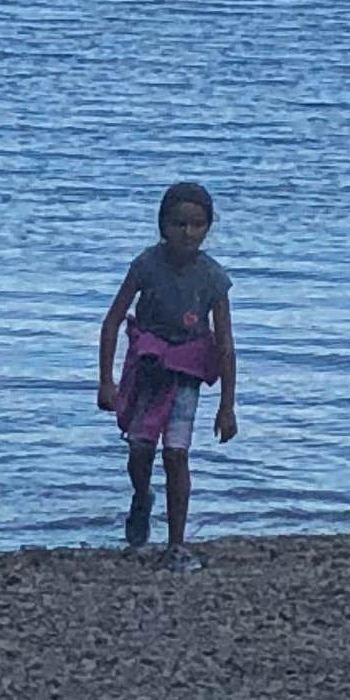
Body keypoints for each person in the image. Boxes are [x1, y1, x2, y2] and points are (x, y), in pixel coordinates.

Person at [95, 179, 236, 559]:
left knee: (176, 454)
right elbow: (111, 322)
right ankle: (141, 497)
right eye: (178, 223)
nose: (187, 232)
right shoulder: (146, 265)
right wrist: (105, 381)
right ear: (163, 226)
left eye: (196, 224)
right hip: (148, 371)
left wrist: (227, 406)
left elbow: (225, 344)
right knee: (140, 449)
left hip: (186, 373)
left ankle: (176, 542)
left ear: (208, 227)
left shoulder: (213, 278)